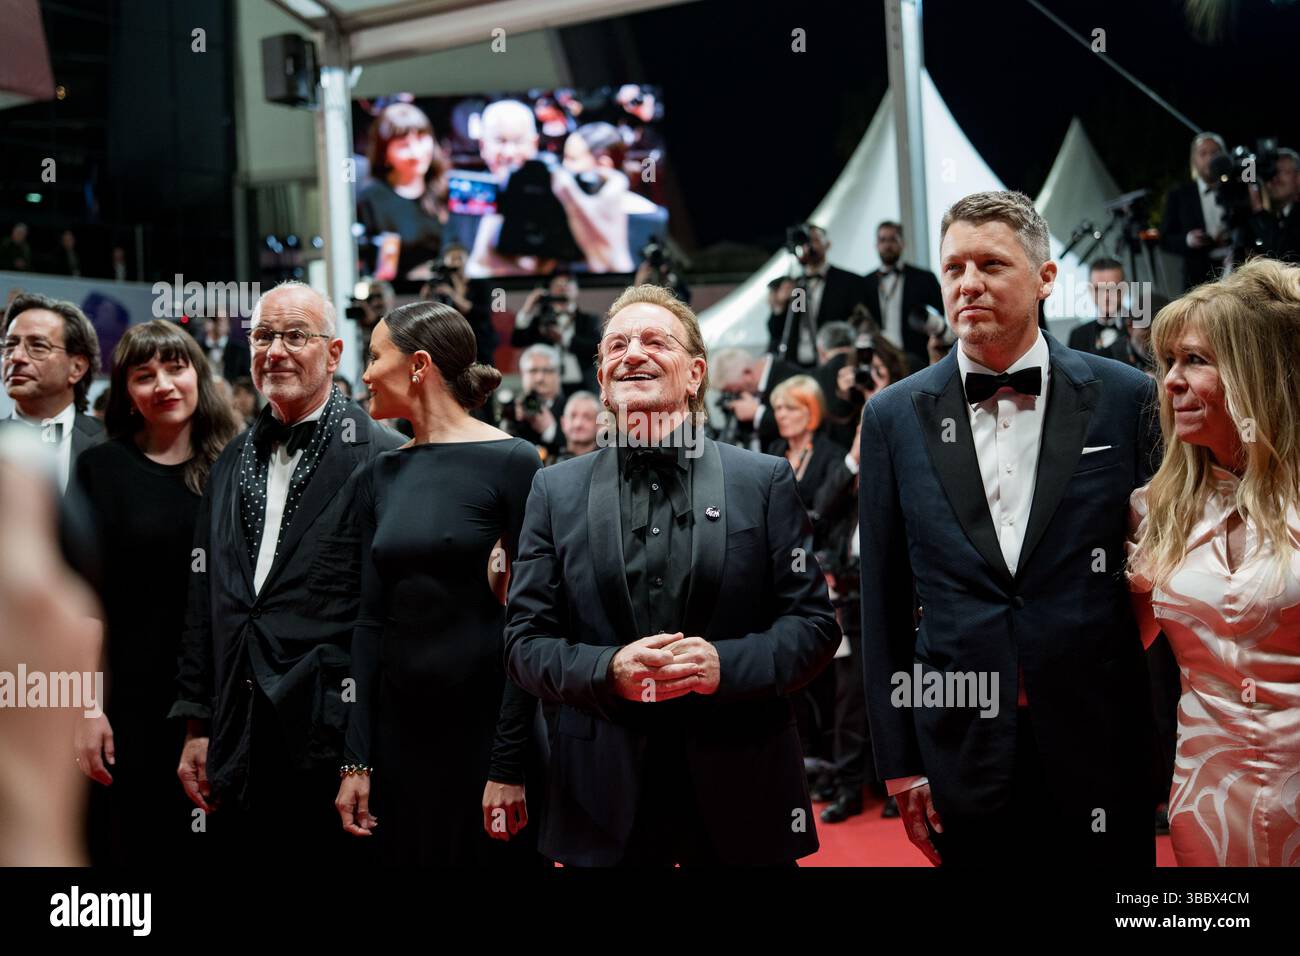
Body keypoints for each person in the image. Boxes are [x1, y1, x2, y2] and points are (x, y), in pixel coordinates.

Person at [858, 191, 1161, 867]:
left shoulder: (1127, 397)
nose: (968, 284)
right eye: (954, 267)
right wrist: (900, 764)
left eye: (991, 265)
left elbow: (1163, 570)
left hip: (1101, 738)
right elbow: (878, 601)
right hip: (961, 745)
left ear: (1046, 278)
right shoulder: (892, 416)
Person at [504, 283, 840, 866]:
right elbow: (524, 643)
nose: (631, 353)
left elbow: (813, 627)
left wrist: (723, 666)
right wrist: (607, 670)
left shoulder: (763, 481)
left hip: (743, 789)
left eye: (655, 341)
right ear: (604, 381)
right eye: (615, 346)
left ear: (695, 373)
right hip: (602, 802)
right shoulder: (553, 490)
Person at [170, 281, 404, 864]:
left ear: (333, 354)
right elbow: (206, 600)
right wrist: (198, 723)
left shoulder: (382, 454)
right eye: (263, 336)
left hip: (327, 733)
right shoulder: (229, 459)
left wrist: (362, 755)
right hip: (238, 730)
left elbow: (388, 618)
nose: (274, 350)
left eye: (294, 335)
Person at [335, 300, 546, 865]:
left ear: (419, 364)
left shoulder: (515, 462)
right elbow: (368, 621)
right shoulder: (377, 473)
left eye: (375, 356)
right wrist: (357, 761)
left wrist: (509, 763)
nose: (365, 373)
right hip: (400, 739)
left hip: (486, 737)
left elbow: (532, 623)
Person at [1126, 257, 1300, 867]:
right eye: (1168, 362)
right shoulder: (1156, 510)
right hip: (1205, 804)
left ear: (1258, 374)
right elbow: (1120, 645)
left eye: (1195, 360)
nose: (1170, 381)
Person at [72, 320, 240, 865]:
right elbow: (82, 599)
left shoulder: (235, 467)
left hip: (218, 693)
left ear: (199, 375)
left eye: (176, 367)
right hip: (127, 694)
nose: (164, 384)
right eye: (144, 375)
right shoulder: (102, 467)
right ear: (126, 393)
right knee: (131, 842)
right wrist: (87, 707)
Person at [2, 293, 105, 493]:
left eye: (38, 346)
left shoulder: (115, 443)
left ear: (77, 368)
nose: (16, 357)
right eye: (9, 345)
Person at [357, 102, 448, 281]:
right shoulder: (372, 198)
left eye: (421, 139)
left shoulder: (449, 188)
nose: (416, 152)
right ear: (384, 153)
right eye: (404, 145)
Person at [767, 224, 869, 367]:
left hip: (834, 362)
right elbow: (776, 333)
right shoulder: (795, 285)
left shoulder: (849, 282)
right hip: (796, 363)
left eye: (814, 239)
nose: (808, 245)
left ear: (827, 244)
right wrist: (779, 307)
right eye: (805, 240)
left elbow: (859, 323)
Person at [861, 221, 943, 372]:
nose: (888, 245)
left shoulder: (925, 278)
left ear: (903, 243)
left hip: (918, 358)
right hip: (880, 360)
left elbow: (940, 317)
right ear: (876, 245)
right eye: (883, 240)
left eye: (893, 239)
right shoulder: (865, 283)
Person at [1161, 132, 1232, 292]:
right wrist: (1188, 240)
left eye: (1214, 153)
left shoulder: (1236, 189)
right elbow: (1164, 238)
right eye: (1203, 154)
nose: (1209, 158)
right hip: (1198, 280)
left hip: (1237, 274)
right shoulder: (1179, 195)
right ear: (1194, 159)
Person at [511, 271, 600, 394]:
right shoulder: (540, 321)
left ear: (577, 290)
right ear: (549, 290)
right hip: (548, 388)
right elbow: (517, 340)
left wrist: (564, 339)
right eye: (557, 284)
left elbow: (596, 350)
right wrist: (528, 307)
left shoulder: (589, 320)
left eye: (568, 283)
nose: (563, 287)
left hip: (584, 386)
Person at [710, 346, 801, 453]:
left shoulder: (790, 379)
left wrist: (757, 413)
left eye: (735, 391)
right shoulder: (756, 388)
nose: (736, 397)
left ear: (747, 373)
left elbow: (799, 424)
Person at [501, 343, 568, 459]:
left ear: (558, 374)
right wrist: (512, 424)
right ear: (522, 374)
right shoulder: (511, 408)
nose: (539, 378)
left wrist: (550, 429)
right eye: (533, 371)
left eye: (547, 371)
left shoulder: (571, 408)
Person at [1246, 147, 1300, 265]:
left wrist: (1259, 210)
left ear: (1298, 177)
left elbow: (1284, 258)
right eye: (1270, 173)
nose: (1274, 179)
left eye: (1282, 172)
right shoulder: (1275, 216)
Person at [200, 312, 252, 383]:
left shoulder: (240, 350)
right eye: (214, 318)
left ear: (228, 324)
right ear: (205, 322)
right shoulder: (197, 346)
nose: (218, 322)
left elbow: (247, 379)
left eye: (221, 319)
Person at [553, 389, 602, 463]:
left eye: (587, 417)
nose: (578, 424)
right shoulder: (550, 464)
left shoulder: (609, 464)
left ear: (599, 425)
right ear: (563, 423)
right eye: (573, 416)